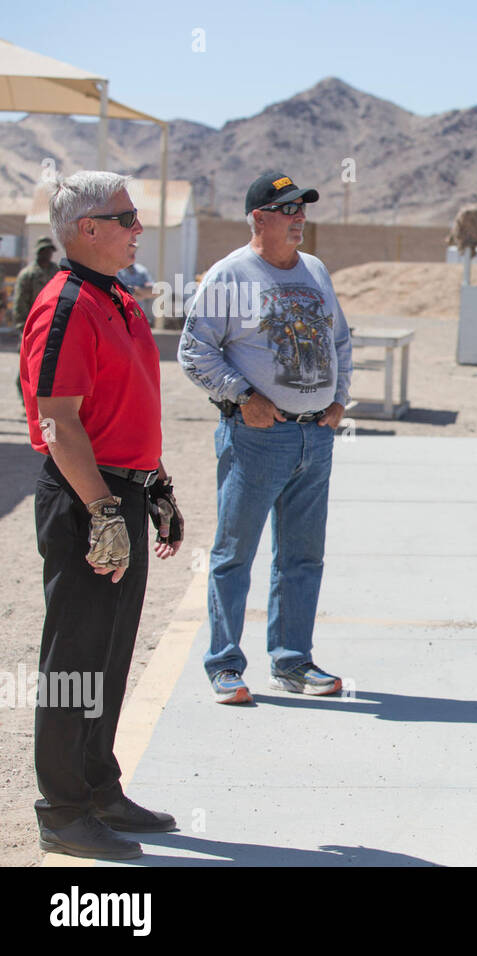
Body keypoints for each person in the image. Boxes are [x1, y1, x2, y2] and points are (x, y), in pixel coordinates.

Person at [20, 172, 183, 859]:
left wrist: (157, 487)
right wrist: (103, 511)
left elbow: (126, 407)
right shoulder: (63, 304)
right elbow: (57, 421)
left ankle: (97, 786)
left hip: (121, 490)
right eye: (125, 218)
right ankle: (62, 810)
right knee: (75, 657)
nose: (138, 227)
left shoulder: (114, 296)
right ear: (85, 229)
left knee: (110, 654)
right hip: (86, 495)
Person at [178, 171, 351, 704]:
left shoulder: (316, 270)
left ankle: (293, 661)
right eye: (288, 209)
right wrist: (240, 398)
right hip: (256, 439)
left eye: (303, 208)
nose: (300, 217)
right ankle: (225, 664)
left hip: (313, 439)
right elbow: (194, 351)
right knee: (234, 553)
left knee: (303, 556)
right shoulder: (231, 275)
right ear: (259, 218)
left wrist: (339, 398)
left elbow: (340, 339)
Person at [11, 236, 60, 395]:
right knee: (27, 364)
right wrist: (22, 327)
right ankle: (25, 399)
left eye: (49, 251)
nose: (47, 254)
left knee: (51, 365)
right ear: (38, 252)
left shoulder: (57, 272)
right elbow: (20, 302)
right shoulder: (27, 274)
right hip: (31, 326)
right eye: (43, 250)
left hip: (53, 325)